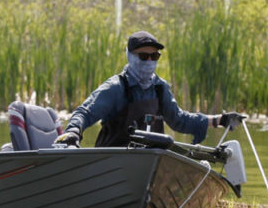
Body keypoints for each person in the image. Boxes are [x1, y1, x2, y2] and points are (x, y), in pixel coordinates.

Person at [55, 30, 245, 147]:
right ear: (129, 56)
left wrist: (220, 120)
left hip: (150, 164)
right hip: (114, 160)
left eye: (154, 57)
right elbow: (84, 113)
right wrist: (72, 132)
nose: (149, 62)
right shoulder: (115, 88)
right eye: (143, 57)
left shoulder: (160, 88)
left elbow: (179, 120)